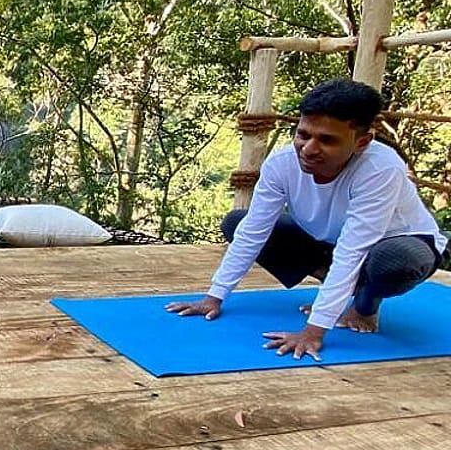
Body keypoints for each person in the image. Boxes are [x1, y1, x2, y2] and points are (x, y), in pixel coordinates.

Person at [166, 78, 447, 361]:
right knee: (238, 222)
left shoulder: (381, 168)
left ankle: (365, 305)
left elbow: (355, 249)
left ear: (361, 142)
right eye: (303, 134)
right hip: (331, 242)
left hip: (399, 245)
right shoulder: (282, 164)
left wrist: (313, 332)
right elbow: (253, 231)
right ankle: (337, 288)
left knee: (393, 261)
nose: (309, 148)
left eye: (327, 140)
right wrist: (213, 297)